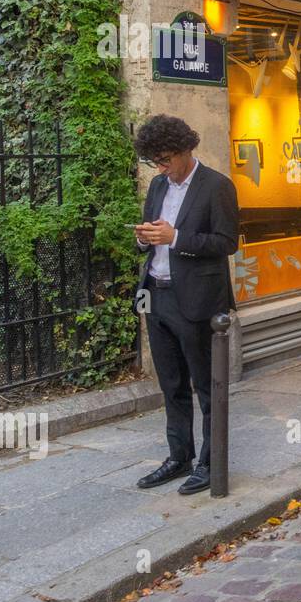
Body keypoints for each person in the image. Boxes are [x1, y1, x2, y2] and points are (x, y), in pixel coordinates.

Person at [132, 115, 240, 496]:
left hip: (197, 301)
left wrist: (176, 236)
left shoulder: (217, 186)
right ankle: (179, 456)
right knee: (171, 385)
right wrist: (145, 240)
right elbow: (149, 237)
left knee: (206, 386)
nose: (160, 168)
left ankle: (211, 463)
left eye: (164, 160)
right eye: (154, 162)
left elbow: (227, 243)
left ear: (185, 150)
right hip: (157, 296)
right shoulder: (159, 185)